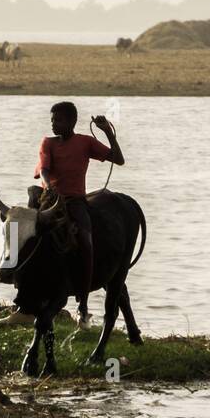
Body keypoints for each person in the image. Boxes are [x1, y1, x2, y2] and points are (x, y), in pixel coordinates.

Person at [33, 101, 125, 329]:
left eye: (59, 120)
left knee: (86, 241)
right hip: (49, 199)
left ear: (72, 121)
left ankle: (83, 302)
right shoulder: (48, 143)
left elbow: (118, 158)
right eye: (52, 119)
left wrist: (107, 132)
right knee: (22, 232)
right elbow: (44, 169)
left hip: (74, 201)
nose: (54, 124)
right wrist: (48, 185)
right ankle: (20, 287)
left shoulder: (85, 142)